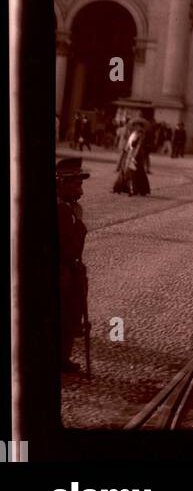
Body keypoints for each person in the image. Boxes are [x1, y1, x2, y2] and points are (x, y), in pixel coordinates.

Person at [57, 157, 90, 374]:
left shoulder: (67, 207)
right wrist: (78, 222)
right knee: (65, 313)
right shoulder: (61, 210)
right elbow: (68, 247)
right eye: (77, 184)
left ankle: (62, 356)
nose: (81, 189)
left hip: (68, 270)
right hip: (61, 271)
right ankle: (59, 357)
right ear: (63, 184)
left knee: (69, 313)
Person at [113, 120, 151, 196]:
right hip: (129, 154)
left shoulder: (142, 134)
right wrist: (125, 150)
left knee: (135, 172)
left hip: (136, 156)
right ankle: (122, 188)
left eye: (137, 125)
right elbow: (129, 143)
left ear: (140, 126)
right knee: (127, 171)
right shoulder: (133, 133)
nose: (136, 127)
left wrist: (134, 155)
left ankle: (135, 189)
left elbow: (138, 146)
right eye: (135, 125)